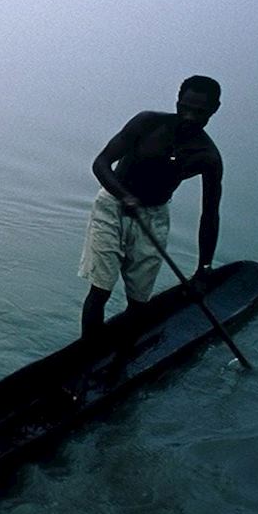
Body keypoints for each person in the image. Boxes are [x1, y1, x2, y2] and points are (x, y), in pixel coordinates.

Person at [77, 76, 223, 340]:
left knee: (139, 300)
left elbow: (210, 214)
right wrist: (124, 197)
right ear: (177, 102)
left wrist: (203, 269)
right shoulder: (148, 123)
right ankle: (87, 354)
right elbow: (101, 163)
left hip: (153, 216)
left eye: (199, 112)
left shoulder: (207, 156)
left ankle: (126, 355)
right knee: (100, 290)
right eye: (185, 108)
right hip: (112, 206)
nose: (189, 117)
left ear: (214, 110)